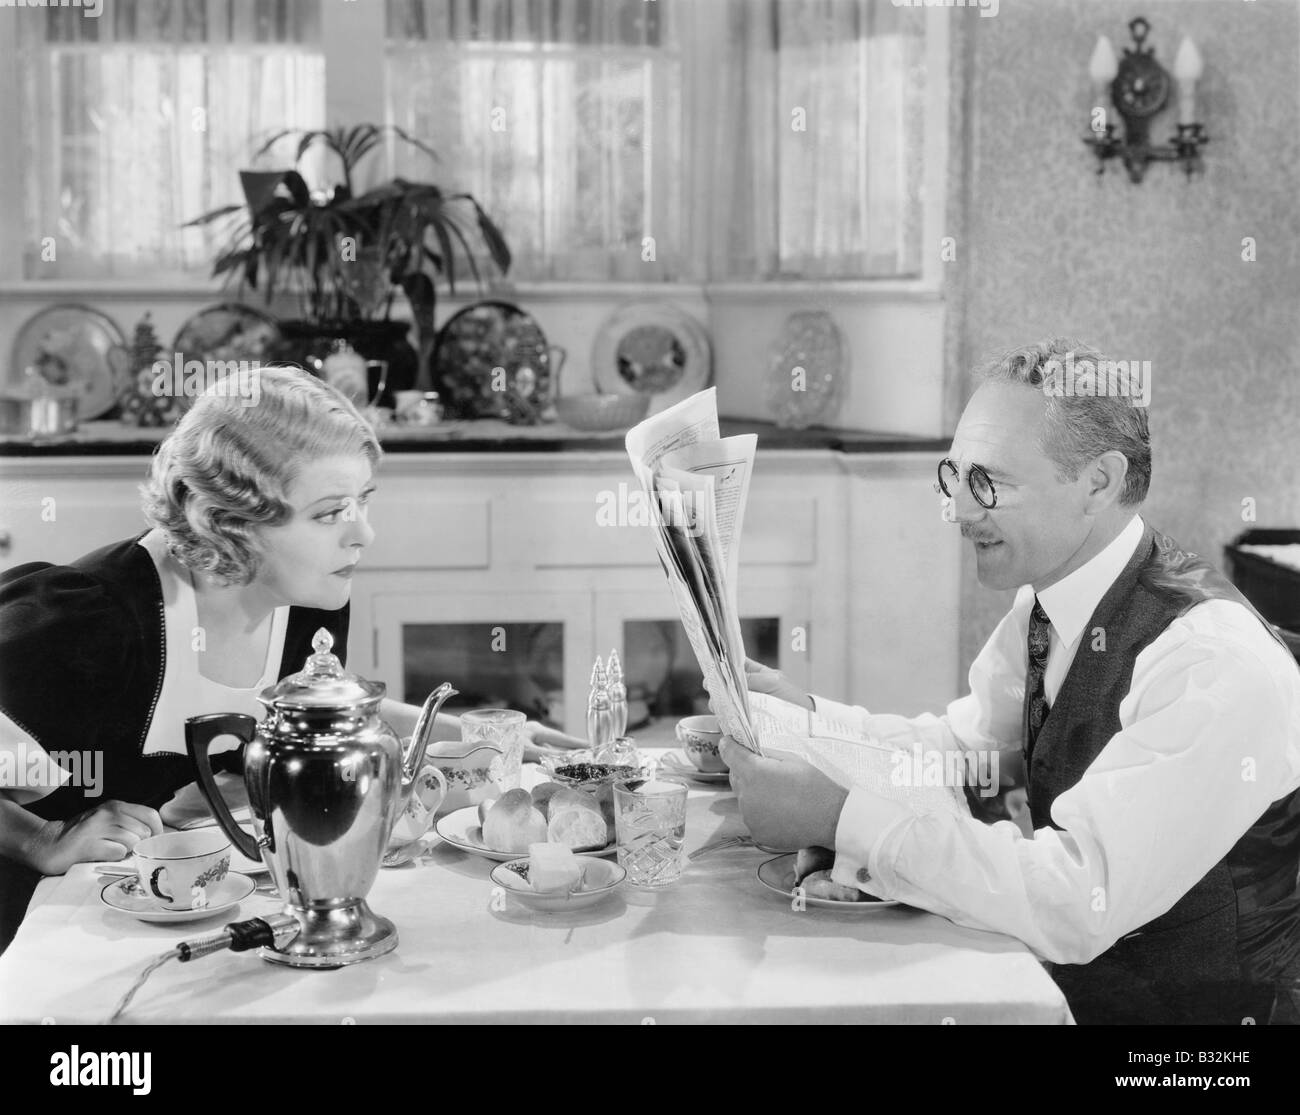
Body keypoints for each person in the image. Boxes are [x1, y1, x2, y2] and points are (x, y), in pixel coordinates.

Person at [721, 338, 1300, 1025]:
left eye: (989, 483)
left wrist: (842, 817)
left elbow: (1077, 897)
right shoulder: (1048, 600)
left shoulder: (1213, 664)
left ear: (1098, 482)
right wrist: (809, 719)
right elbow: (963, 752)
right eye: (954, 476)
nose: (960, 512)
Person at [0, 367, 581, 950]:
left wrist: (490, 736)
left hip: (143, 916)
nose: (363, 535)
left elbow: (319, 714)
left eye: (362, 503)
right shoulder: (89, 622)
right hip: (25, 928)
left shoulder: (305, 599)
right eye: (330, 513)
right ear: (230, 521)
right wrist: (39, 838)